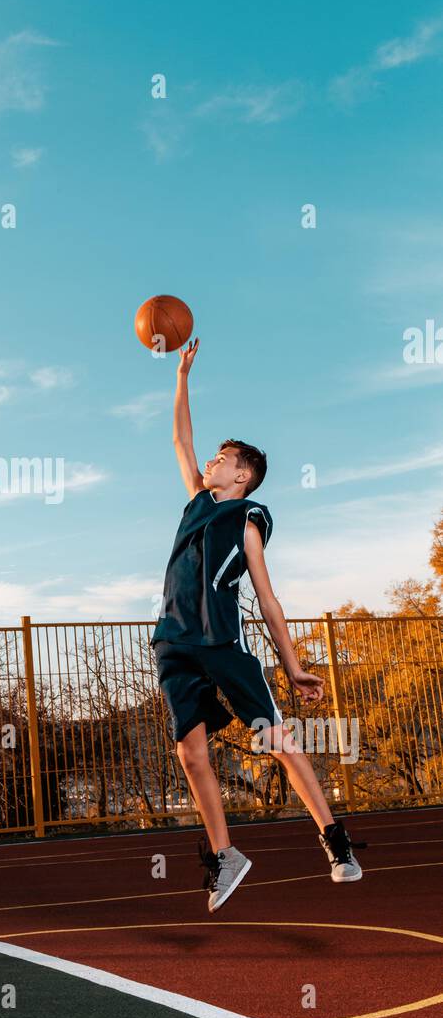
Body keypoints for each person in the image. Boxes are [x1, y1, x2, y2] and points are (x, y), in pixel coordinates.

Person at [151, 337, 364, 911]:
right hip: (172, 644)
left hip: (222, 643)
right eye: (213, 457)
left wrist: (292, 664)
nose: (210, 462)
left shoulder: (245, 516)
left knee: (276, 739)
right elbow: (179, 438)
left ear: (241, 476)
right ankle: (226, 856)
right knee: (190, 754)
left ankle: (335, 840)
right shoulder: (197, 501)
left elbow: (266, 596)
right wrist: (182, 374)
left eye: (222, 459)